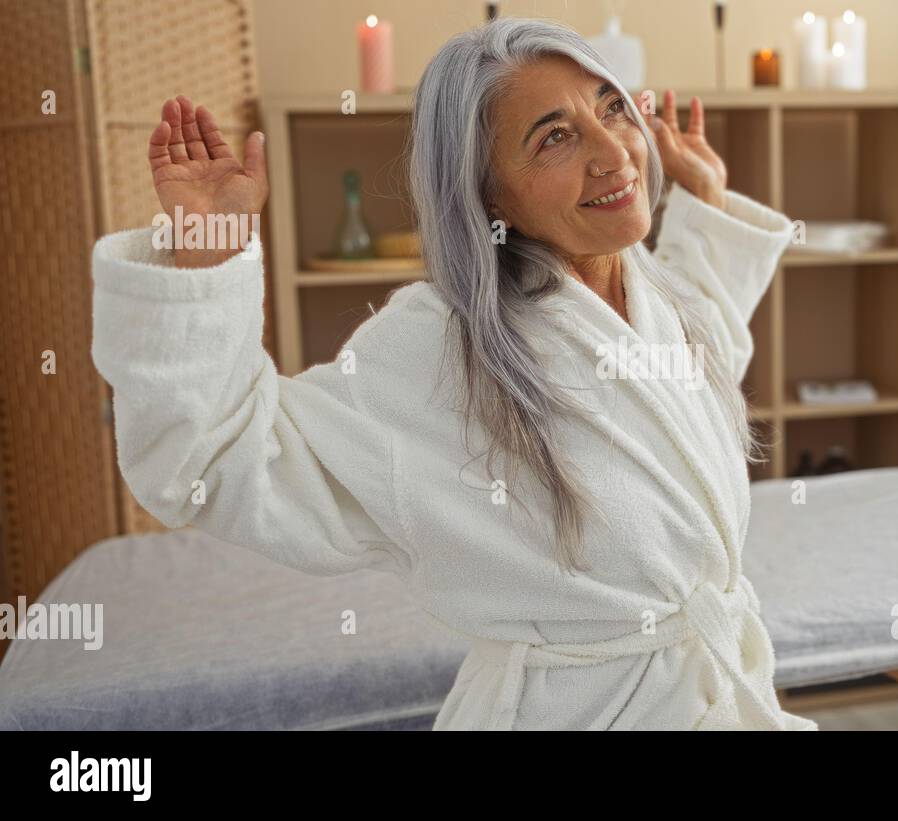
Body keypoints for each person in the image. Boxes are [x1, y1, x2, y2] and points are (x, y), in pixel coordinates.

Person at [91, 17, 817, 731]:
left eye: (613, 108)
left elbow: (699, 373)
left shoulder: (647, 288)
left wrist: (707, 201)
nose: (613, 152)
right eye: (555, 137)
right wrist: (209, 248)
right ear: (490, 192)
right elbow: (219, 459)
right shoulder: (442, 346)